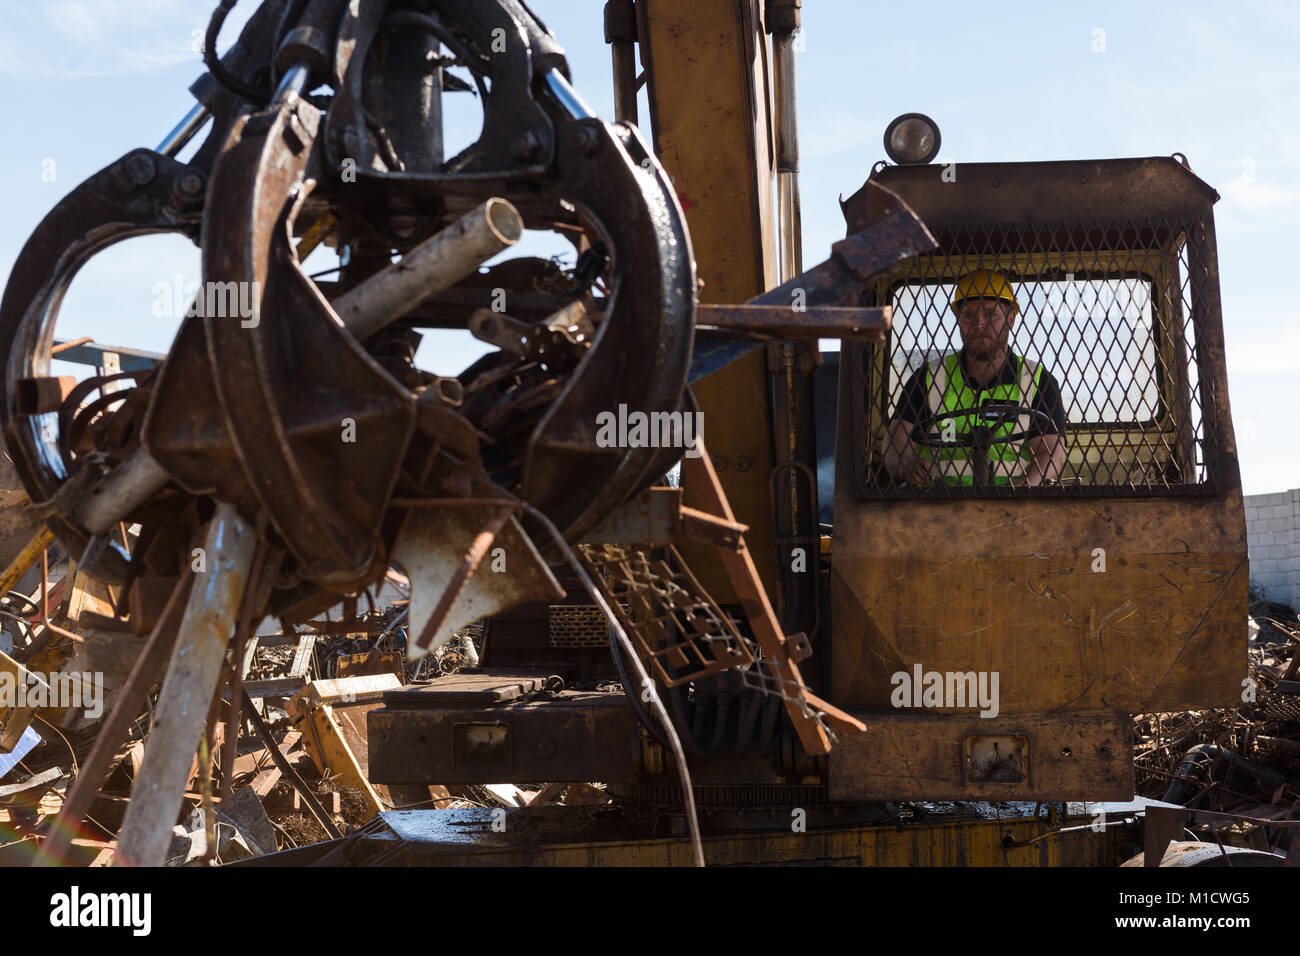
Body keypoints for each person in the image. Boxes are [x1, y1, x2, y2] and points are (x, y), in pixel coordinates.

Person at [883, 269, 1066, 487]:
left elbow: (1051, 454)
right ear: (958, 320)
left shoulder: (1037, 381)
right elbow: (895, 441)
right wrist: (906, 464)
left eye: (990, 314)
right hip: (934, 509)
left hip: (1012, 510)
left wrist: (1015, 499)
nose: (979, 324)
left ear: (1010, 319)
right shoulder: (928, 377)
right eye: (969, 315)